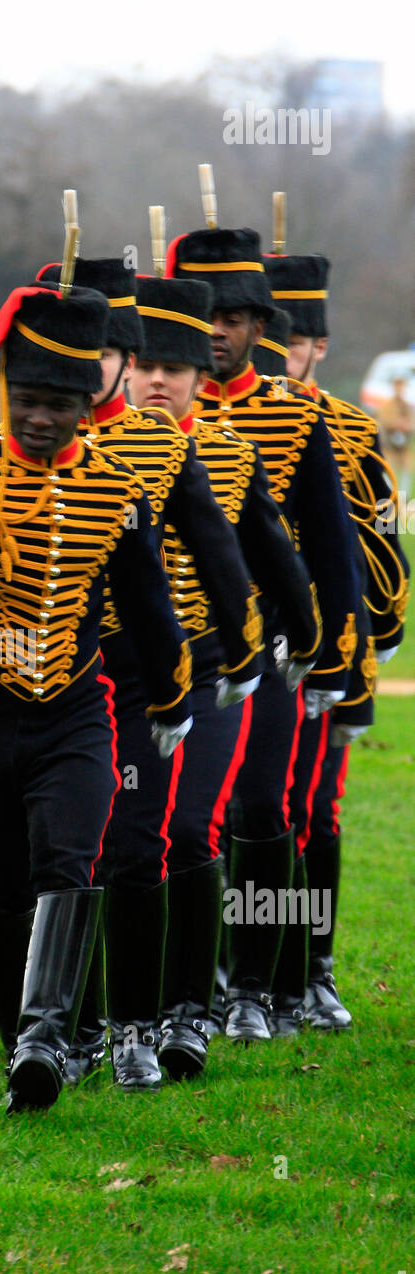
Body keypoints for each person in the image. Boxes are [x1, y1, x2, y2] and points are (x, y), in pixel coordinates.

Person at [0, 282, 193, 1113]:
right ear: (5, 394)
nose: (41, 418)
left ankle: (46, 1037)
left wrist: (172, 696)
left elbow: (150, 600)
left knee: (67, 860)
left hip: (78, 712)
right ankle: (33, 1033)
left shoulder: (116, 489)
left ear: (87, 405)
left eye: (60, 403)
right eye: (28, 400)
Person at [35, 258, 262, 1091]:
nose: (145, 378)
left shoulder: (167, 448)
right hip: (66, 671)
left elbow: (233, 551)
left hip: (171, 670)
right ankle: (72, 1023)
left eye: (165, 365)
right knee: (71, 853)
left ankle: (174, 1013)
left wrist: (247, 651)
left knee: (165, 837)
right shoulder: (23, 446)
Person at [126, 273, 322, 1077]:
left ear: (199, 377)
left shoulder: (227, 452)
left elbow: (270, 558)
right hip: (116, 675)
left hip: (215, 668)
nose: (161, 380)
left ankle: (201, 1007)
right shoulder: (85, 455)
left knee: (197, 827)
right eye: (147, 366)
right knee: (117, 846)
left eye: (177, 368)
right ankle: (101, 1015)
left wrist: (309, 642)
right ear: (123, 370)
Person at [170, 225, 360, 1042]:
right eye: (206, 312)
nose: (218, 328)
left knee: (263, 809)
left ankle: (260, 983)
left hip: (275, 646)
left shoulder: (293, 415)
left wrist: (336, 656)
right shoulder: (158, 409)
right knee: (179, 822)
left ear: (258, 325)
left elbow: (330, 546)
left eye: (236, 315)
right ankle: (194, 981)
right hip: (175, 642)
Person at [262, 248, 409, 1031]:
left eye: (295, 340)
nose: (284, 354)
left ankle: (312, 966)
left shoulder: (350, 428)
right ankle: (244, 967)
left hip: (329, 642)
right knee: (243, 810)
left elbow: (380, 541)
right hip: (246, 640)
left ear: (318, 345)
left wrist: (379, 628)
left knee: (315, 809)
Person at [377, 377, 413, 495]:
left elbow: (412, 423)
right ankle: (389, 493)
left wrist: (406, 426)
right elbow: (382, 421)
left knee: (407, 468)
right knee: (388, 469)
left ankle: (404, 494)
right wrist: (395, 424)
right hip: (389, 444)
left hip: (404, 444)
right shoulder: (387, 405)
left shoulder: (407, 406)